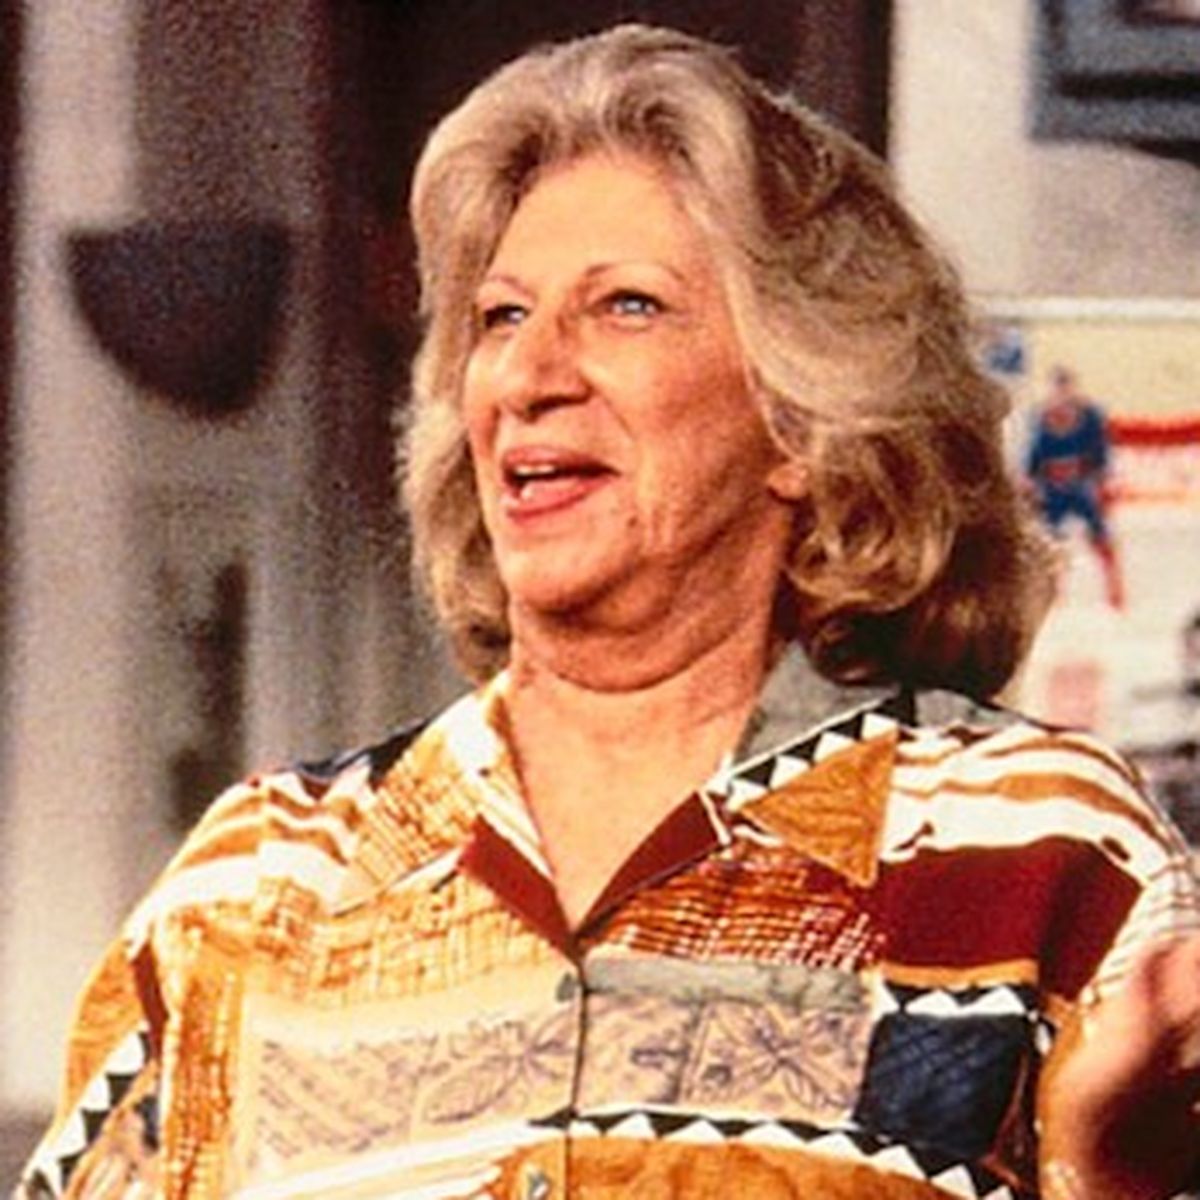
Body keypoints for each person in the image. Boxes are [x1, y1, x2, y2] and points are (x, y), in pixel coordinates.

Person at [19, 24, 1200, 1200]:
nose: (531, 376)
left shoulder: (1040, 848)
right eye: (501, 318)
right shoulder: (261, 878)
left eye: (626, 306)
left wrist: (1123, 1184)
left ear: (804, 419)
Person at [1025, 366, 1125, 609]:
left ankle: (1114, 587)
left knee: (1100, 535)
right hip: (1053, 487)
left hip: (1082, 485)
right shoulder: (1041, 416)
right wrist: (1031, 481)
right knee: (1049, 540)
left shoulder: (1090, 415)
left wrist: (1102, 479)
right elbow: (1033, 454)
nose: (1062, 393)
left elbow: (1101, 450)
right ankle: (1052, 590)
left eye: (1066, 387)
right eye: (1057, 387)